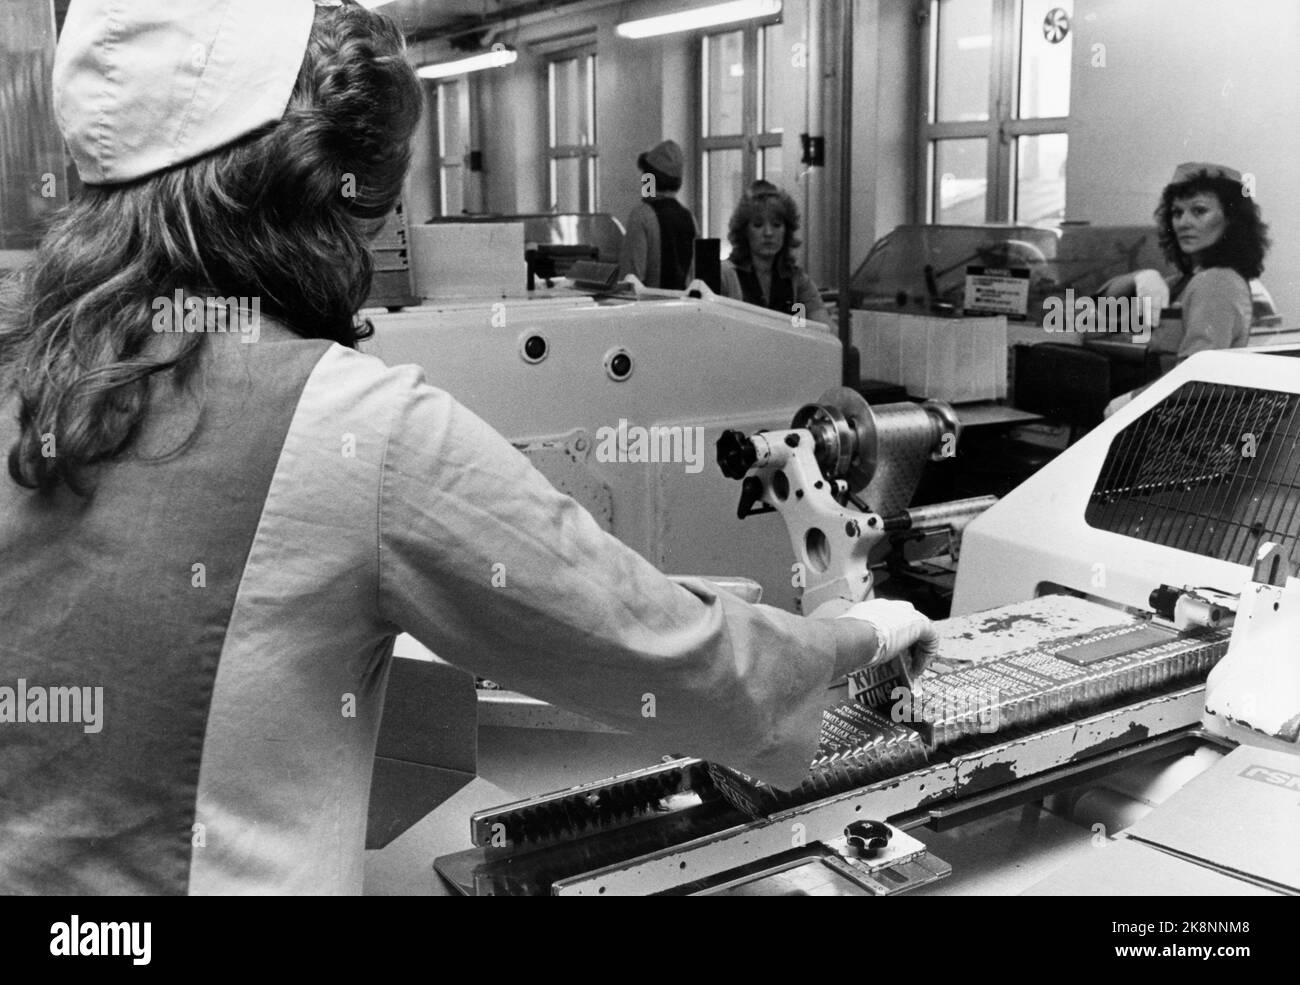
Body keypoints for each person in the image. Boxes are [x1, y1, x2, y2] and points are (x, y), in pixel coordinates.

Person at [0, 0, 938, 895]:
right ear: (316, 198)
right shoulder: (349, 425)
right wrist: (857, 635)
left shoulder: (24, 383)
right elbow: (659, 648)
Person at [1102, 163, 1270, 416]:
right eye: (1177, 212)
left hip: (1185, 426)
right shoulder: (1189, 280)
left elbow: (1197, 375)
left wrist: (1127, 404)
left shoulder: (1217, 281)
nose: (1183, 222)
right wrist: (1141, 276)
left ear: (1232, 219)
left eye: (1199, 211)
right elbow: (1093, 311)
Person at [718, 180, 830, 327]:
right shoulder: (725, 275)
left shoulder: (797, 280)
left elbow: (815, 329)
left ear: (786, 230)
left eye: (777, 225)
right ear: (744, 231)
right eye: (758, 225)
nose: (768, 233)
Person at [616, 139, 697, 289]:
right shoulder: (689, 217)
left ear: (650, 178)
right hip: (681, 306)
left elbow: (631, 278)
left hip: (650, 308)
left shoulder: (641, 216)